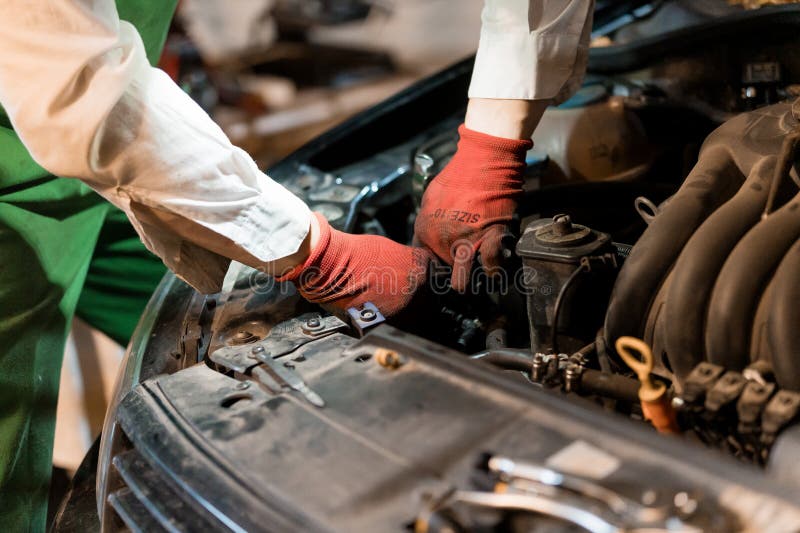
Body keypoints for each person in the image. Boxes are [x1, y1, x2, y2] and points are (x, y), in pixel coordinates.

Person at [0, 0, 592, 529]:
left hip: (109, 160)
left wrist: (494, 140)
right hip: (21, 177)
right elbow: (80, 87)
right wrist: (323, 258)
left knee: (215, 336)